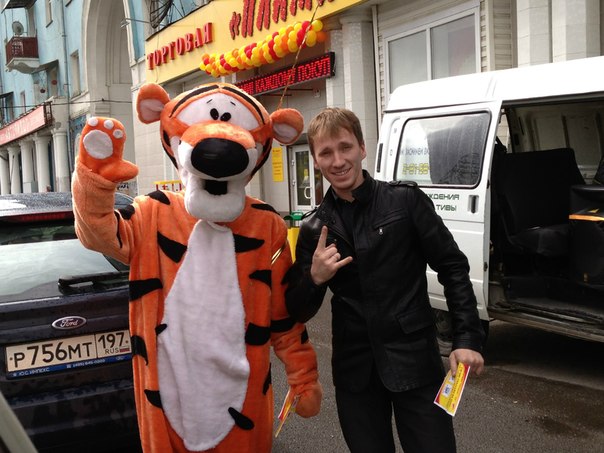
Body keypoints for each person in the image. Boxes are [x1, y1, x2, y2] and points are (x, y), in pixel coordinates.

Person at [285, 107, 485, 453]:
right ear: (315, 161)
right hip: (355, 373)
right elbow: (297, 310)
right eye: (326, 153)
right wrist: (314, 278)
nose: (338, 161)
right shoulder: (315, 228)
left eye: (345, 147)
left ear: (362, 148)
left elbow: (452, 266)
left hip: (415, 362)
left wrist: (466, 337)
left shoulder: (404, 201)